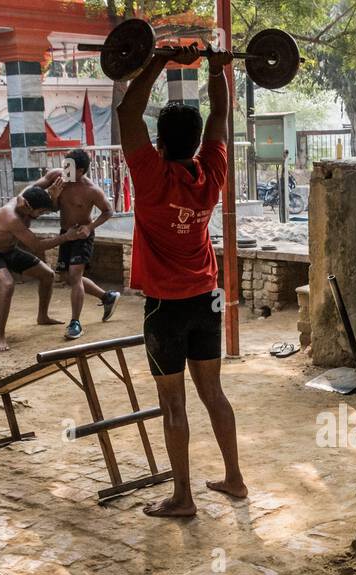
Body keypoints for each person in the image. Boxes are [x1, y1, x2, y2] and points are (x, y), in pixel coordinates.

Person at [117, 44, 247, 517]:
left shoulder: (151, 176)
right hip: (206, 299)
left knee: (173, 403)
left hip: (165, 306)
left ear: (160, 142)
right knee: (213, 392)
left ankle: (183, 497)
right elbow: (220, 116)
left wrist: (159, 58)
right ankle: (234, 478)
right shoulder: (210, 172)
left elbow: (126, 108)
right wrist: (216, 67)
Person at [0, 174, 84, 351]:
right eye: (40, 212)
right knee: (8, 284)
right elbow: (36, 245)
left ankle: (43, 316)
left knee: (47, 275)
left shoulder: (28, 195)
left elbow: (46, 178)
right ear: (28, 206)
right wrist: (66, 237)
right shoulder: (10, 217)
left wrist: (57, 189)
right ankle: (0, 336)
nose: (40, 216)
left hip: (9, 250)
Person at [53, 148, 121, 340]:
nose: (65, 170)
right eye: (65, 165)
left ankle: (75, 322)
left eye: (70, 167)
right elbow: (50, 203)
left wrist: (90, 227)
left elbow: (108, 211)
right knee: (67, 276)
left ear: (81, 171)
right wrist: (53, 194)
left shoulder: (92, 190)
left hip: (82, 235)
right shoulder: (60, 181)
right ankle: (107, 297)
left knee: (75, 276)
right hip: (66, 234)